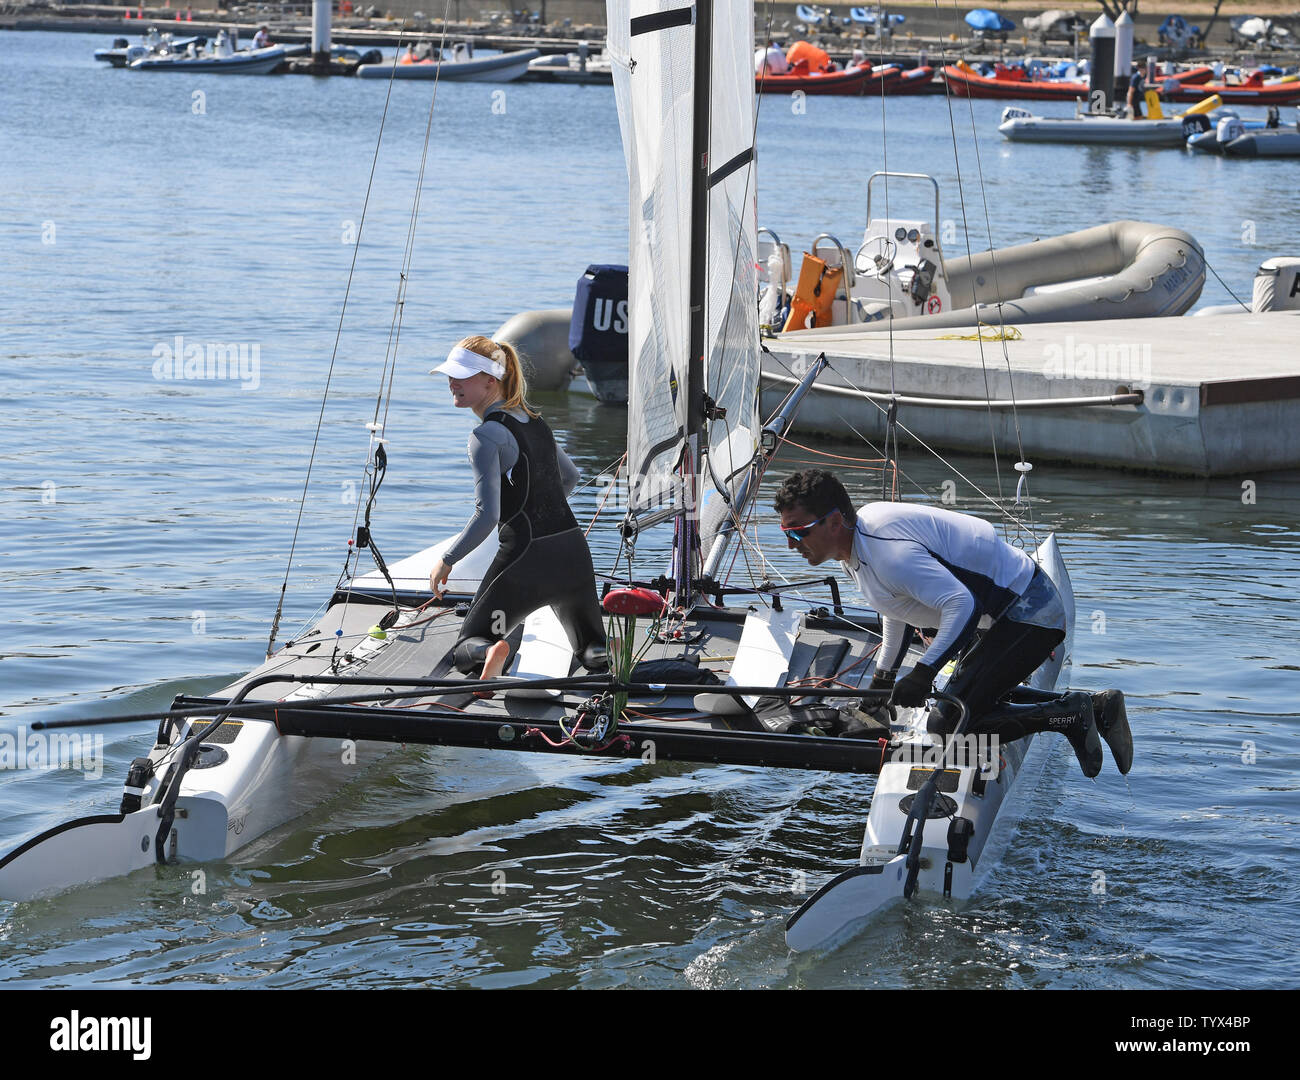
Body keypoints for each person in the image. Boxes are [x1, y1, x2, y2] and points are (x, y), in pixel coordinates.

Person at [772, 469, 1132, 777]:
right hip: (1009, 615)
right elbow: (895, 607)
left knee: (948, 723)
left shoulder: (887, 554)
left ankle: (1069, 714)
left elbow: (963, 606)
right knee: (965, 696)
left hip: (1030, 613)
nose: (791, 544)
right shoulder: (858, 543)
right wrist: (884, 678)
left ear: (835, 521)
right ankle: (1098, 707)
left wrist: (924, 671)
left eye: (799, 532)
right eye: (786, 533)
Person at [429, 336, 608, 685]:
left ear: (489, 382)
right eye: (450, 375)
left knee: (467, 648)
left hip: (526, 557)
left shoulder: (486, 436)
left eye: (462, 376)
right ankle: (603, 650)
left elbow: (487, 515)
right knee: (589, 648)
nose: (452, 383)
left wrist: (447, 560)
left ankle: (489, 654)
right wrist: (544, 509)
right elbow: (570, 476)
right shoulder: (535, 421)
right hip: (572, 551)